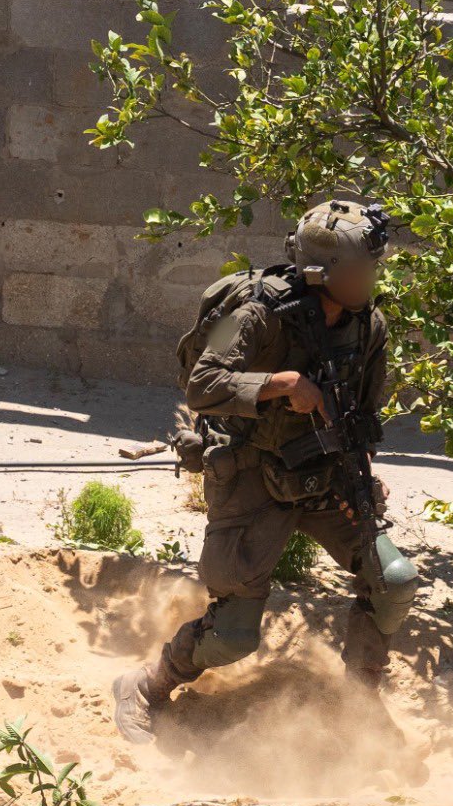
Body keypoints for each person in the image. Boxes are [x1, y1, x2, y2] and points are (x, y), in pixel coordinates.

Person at [112, 199, 421, 744]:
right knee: (233, 637)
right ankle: (147, 686)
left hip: (327, 478)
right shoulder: (259, 315)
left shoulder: (368, 325)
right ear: (325, 274)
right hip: (253, 475)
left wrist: (364, 477)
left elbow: (362, 417)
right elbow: (202, 386)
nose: (373, 277)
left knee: (393, 580)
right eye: (363, 268)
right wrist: (281, 384)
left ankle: (361, 703)